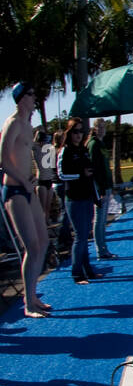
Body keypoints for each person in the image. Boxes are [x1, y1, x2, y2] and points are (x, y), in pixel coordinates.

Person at [2, 83, 53, 316]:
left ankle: (33, 296)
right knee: (31, 246)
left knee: (43, 241)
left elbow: (24, 155)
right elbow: (3, 160)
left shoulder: (27, 124)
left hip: (27, 187)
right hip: (14, 191)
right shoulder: (12, 124)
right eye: (32, 95)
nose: (35, 99)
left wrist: (32, 175)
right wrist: (22, 181)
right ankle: (28, 303)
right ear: (22, 98)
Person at [58, 117, 99, 285]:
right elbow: (61, 174)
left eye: (81, 131)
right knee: (79, 237)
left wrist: (96, 196)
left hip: (86, 197)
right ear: (69, 132)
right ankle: (77, 273)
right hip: (74, 199)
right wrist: (80, 174)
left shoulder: (83, 150)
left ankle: (88, 270)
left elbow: (90, 174)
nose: (78, 135)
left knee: (85, 236)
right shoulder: (65, 151)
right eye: (75, 131)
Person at [87, 119, 118, 259]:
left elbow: (105, 167)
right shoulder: (94, 144)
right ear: (94, 128)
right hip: (100, 188)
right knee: (99, 220)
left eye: (103, 127)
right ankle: (101, 249)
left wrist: (110, 185)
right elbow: (95, 169)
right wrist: (99, 189)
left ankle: (103, 248)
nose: (101, 129)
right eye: (98, 127)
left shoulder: (100, 144)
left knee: (103, 220)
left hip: (105, 186)